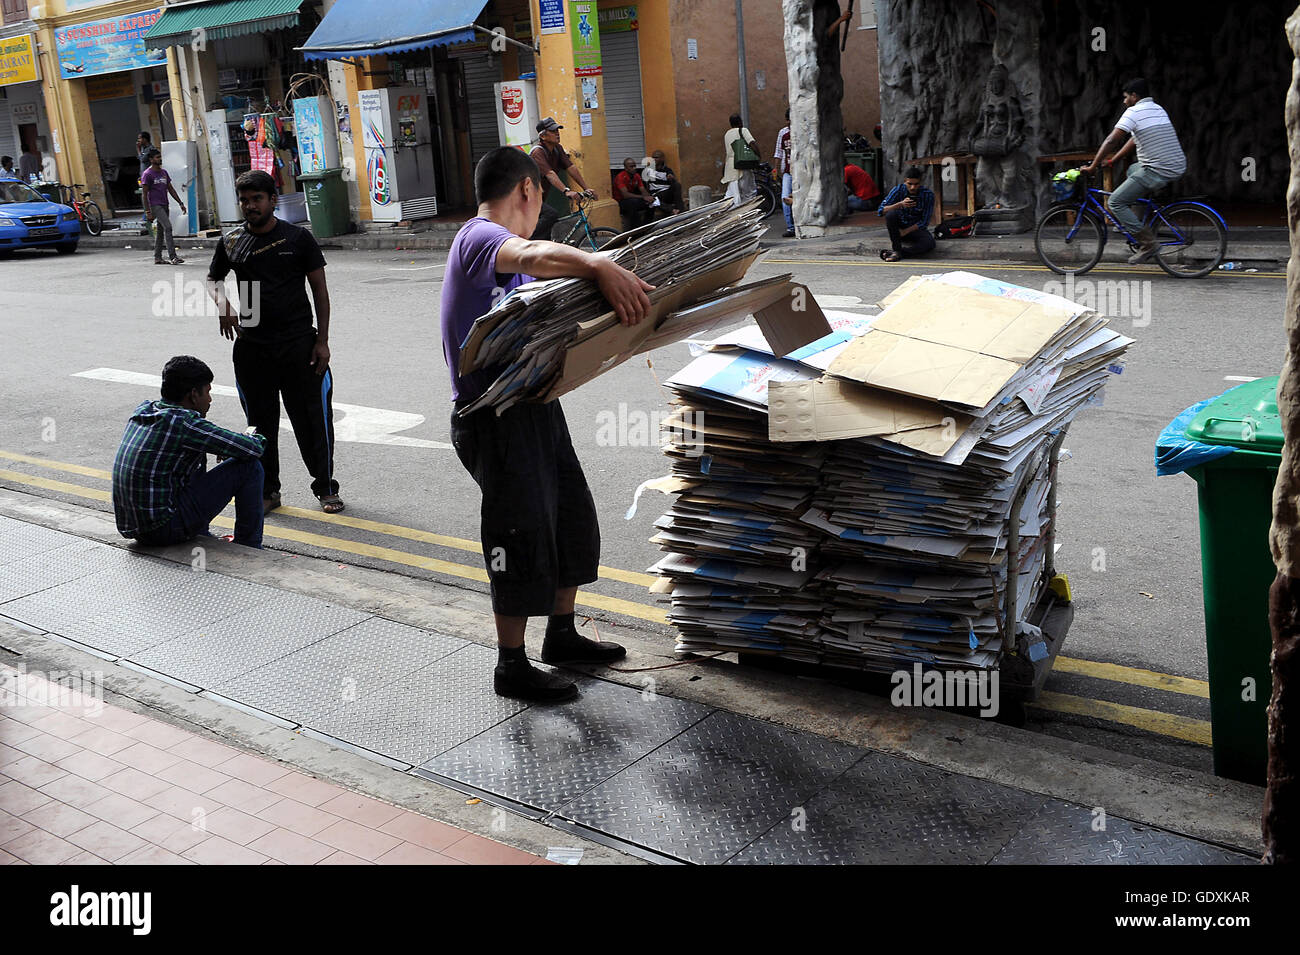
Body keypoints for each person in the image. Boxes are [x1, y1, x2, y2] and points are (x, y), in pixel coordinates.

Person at [442, 146, 653, 702]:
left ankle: (561, 634)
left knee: (570, 515)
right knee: (516, 533)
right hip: (493, 415)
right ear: (529, 191)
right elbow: (532, 253)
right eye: (541, 195)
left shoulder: (498, 257)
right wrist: (598, 263)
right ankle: (510, 664)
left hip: (532, 403)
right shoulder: (478, 237)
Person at [206, 170, 343, 515]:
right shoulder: (232, 241)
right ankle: (268, 491)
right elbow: (213, 279)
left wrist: (322, 341)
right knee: (259, 425)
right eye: (245, 200)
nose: (250, 206)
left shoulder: (298, 239)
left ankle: (325, 487)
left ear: (272, 201)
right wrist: (224, 307)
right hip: (252, 349)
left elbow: (320, 293)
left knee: (313, 421)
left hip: (300, 346)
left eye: (257, 199)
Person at [112, 356, 265, 549]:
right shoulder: (183, 423)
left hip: (136, 528)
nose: (210, 399)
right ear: (193, 395)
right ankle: (249, 546)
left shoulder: (144, 410)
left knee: (194, 452)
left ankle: (201, 531)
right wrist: (252, 440)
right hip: (163, 530)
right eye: (208, 392)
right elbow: (253, 448)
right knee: (250, 467)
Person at [1082, 77, 1186, 264]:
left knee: (1115, 202)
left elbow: (1111, 140)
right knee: (1132, 169)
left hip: (1157, 169)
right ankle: (1137, 221)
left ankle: (1147, 243)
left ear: (1135, 96)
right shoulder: (1157, 109)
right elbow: (1133, 138)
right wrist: (1114, 159)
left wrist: (1092, 166)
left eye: (1126, 97)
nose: (1124, 101)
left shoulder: (1134, 112)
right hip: (1176, 164)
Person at [528, 117, 597, 241]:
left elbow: (571, 168)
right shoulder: (537, 152)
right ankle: (526, 242)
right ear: (543, 136)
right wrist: (566, 191)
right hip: (526, 198)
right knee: (551, 214)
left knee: (546, 233)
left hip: (539, 197)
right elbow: (550, 174)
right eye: (553, 131)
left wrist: (586, 188)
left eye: (557, 130)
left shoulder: (557, 149)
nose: (557, 133)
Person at [876, 166, 936, 261]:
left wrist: (905, 232)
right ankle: (896, 250)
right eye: (910, 184)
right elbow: (881, 211)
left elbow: (924, 221)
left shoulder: (928, 195)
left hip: (914, 228)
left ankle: (898, 253)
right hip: (898, 229)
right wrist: (899, 204)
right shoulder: (898, 190)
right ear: (905, 181)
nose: (913, 187)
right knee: (891, 215)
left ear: (920, 182)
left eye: (916, 184)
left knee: (929, 243)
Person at [142, 148, 186, 266]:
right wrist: (148, 211)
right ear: (151, 160)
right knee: (168, 227)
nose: (160, 159)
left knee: (161, 231)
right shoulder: (147, 174)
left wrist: (180, 203)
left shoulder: (164, 172)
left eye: (160, 157)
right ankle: (173, 256)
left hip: (165, 204)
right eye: (157, 157)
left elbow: (170, 189)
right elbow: (144, 194)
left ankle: (157, 257)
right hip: (155, 205)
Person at [722, 113, 759, 206]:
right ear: (740, 122)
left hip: (730, 169)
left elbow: (728, 152)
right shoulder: (743, 130)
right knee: (749, 194)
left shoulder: (727, 134)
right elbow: (752, 144)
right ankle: (748, 214)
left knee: (732, 195)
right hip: (743, 166)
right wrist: (758, 157)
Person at [614, 156, 655, 226]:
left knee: (652, 202)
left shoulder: (636, 176)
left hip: (632, 199)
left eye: (635, 166)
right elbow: (625, 195)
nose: (634, 168)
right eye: (631, 166)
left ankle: (647, 225)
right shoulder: (620, 177)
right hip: (621, 202)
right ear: (626, 168)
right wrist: (643, 197)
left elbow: (642, 189)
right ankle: (636, 229)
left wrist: (648, 197)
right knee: (632, 203)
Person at [647, 149, 686, 215]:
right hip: (656, 194)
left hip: (666, 193)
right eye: (653, 157)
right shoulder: (648, 170)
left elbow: (673, 180)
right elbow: (645, 185)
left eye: (656, 157)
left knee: (677, 185)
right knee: (654, 200)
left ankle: (680, 209)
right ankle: (674, 210)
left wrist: (671, 178)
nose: (654, 159)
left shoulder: (667, 170)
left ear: (662, 159)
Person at [775, 110, 794, 237]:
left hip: (801, 172)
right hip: (788, 172)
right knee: (785, 197)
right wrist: (775, 170)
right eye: (787, 120)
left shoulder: (801, 131)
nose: (788, 123)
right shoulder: (783, 133)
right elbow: (778, 152)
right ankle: (790, 227)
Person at [137, 131, 153, 228]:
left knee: (148, 196)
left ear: (145, 139)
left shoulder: (150, 149)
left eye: (140, 138)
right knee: (144, 196)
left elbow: (143, 159)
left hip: (149, 178)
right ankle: (146, 214)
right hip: (143, 177)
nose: (138, 141)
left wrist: (138, 150)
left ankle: (148, 215)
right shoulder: (144, 149)